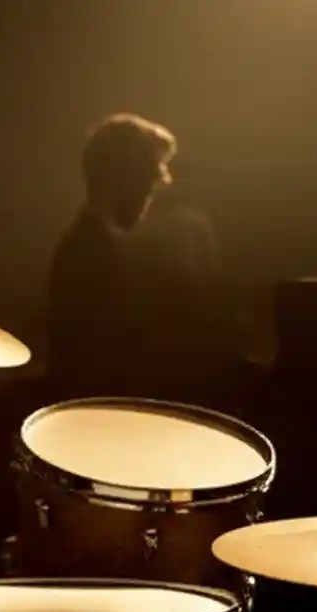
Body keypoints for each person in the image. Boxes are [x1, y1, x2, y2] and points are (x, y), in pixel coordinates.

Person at [46, 113, 238, 407]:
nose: (162, 181)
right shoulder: (91, 253)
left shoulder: (100, 244)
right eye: (151, 171)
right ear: (119, 175)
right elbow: (108, 364)